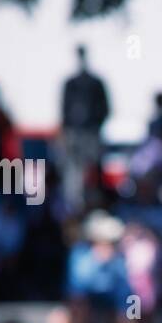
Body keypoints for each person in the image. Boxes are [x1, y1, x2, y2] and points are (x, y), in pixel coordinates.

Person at [60, 45, 110, 212]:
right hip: (75, 136)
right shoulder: (70, 84)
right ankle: (76, 206)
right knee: (74, 172)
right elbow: (64, 111)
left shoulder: (96, 83)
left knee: (93, 172)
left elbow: (105, 108)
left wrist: (93, 127)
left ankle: (96, 204)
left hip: (91, 134)